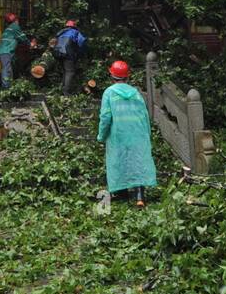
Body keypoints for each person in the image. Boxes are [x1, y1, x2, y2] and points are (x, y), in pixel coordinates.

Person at [96, 60, 157, 207]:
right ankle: (140, 196)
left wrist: (101, 136)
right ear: (127, 76)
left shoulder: (109, 93)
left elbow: (105, 117)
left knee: (118, 160)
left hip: (118, 134)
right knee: (138, 161)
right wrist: (147, 134)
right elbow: (144, 115)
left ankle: (121, 192)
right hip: (138, 133)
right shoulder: (135, 93)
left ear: (112, 75)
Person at [0, 12, 34, 89]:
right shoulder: (14, 27)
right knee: (6, 69)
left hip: (4, 52)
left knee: (9, 69)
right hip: (6, 52)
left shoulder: (9, 28)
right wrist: (31, 44)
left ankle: (10, 86)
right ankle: (6, 87)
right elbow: (23, 38)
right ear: (16, 20)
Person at [51, 20, 87, 95]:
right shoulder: (75, 32)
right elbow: (82, 41)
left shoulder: (61, 32)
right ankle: (66, 92)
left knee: (65, 71)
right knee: (70, 72)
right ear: (74, 26)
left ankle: (63, 90)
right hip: (67, 54)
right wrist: (80, 52)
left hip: (58, 54)